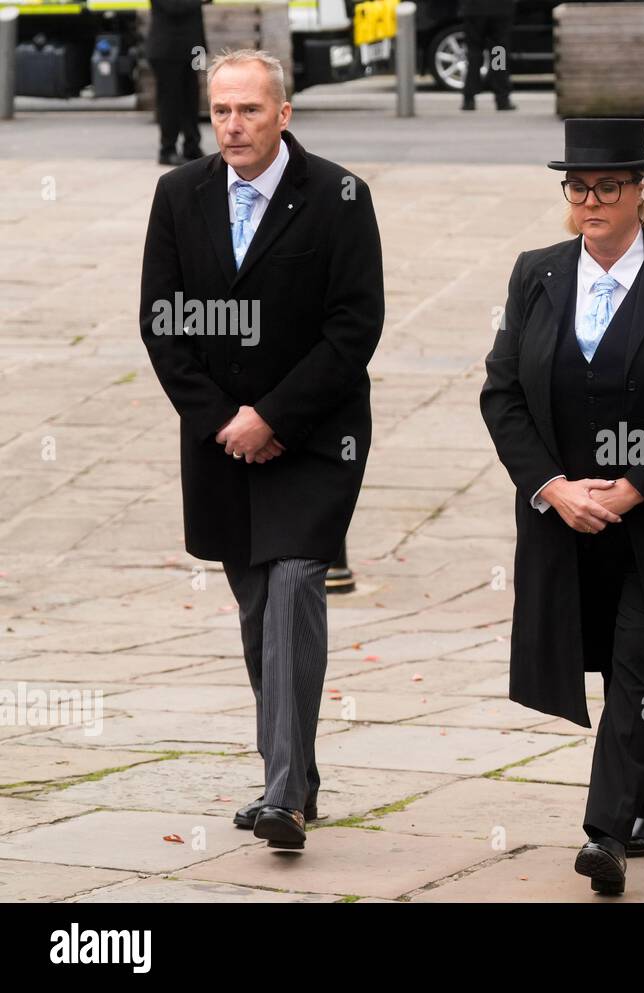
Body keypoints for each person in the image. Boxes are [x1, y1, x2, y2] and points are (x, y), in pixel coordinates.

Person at [479, 118, 644, 896]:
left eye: (607, 187)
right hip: (568, 524)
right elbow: (503, 395)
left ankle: (605, 833)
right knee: (618, 672)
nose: (590, 200)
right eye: (578, 187)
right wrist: (554, 488)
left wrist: (636, 485)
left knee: (636, 662)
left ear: (639, 192)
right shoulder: (535, 274)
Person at [138, 49, 384, 852]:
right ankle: (296, 776)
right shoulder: (180, 195)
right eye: (221, 112)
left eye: (249, 110)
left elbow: (355, 326)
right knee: (258, 613)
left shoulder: (341, 197)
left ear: (285, 113)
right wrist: (224, 421)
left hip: (317, 438)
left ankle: (282, 793)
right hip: (221, 443)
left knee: (295, 584)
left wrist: (273, 414)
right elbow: (163, 323)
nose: (234, 126)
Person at [147, 0, 210, 165]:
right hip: (167, 49)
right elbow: (173, 7)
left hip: (191, 48)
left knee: (191, 100)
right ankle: (167, 149)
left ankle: (192, 146)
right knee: (170, 102)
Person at [458, 0, 516, 111]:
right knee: (498, 52)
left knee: (474, 53)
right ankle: (502, 99)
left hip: (474, 8)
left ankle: (469, 99)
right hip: (500, 9)